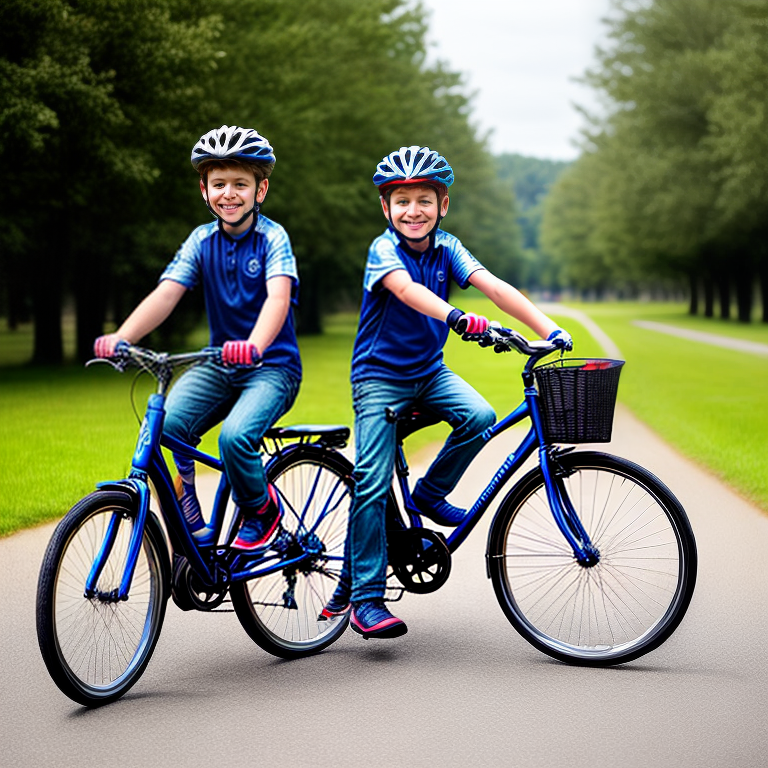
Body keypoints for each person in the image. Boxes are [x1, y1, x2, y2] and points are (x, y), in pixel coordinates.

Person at [323, 145, 573, 639]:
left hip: (429, 372)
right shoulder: (383, 250)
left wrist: (549, 327)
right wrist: (457, 316)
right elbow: (406, 290)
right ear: (385, 208)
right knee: (370, 482)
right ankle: (366, 601)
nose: (412, 210)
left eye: (424, 200)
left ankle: (430, 493)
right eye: (402, 201)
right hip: (378, 378)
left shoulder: (448, 247)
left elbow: (494, 286)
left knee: (478, 416)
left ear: (443, 205)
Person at [94, 125, 301, 550]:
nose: (229, 193)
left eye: (240, 184)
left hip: (272, 367)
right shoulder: (200, 240)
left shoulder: (272, 238)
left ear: (260, 191)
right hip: (218, 364)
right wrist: (123, 335)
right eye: (219, 183)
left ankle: (263, 511)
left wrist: (256, 345)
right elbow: (167, 293)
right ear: (204, 190)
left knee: (234, 438)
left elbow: (277, 298)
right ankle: (187, 500)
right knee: (166, 426)